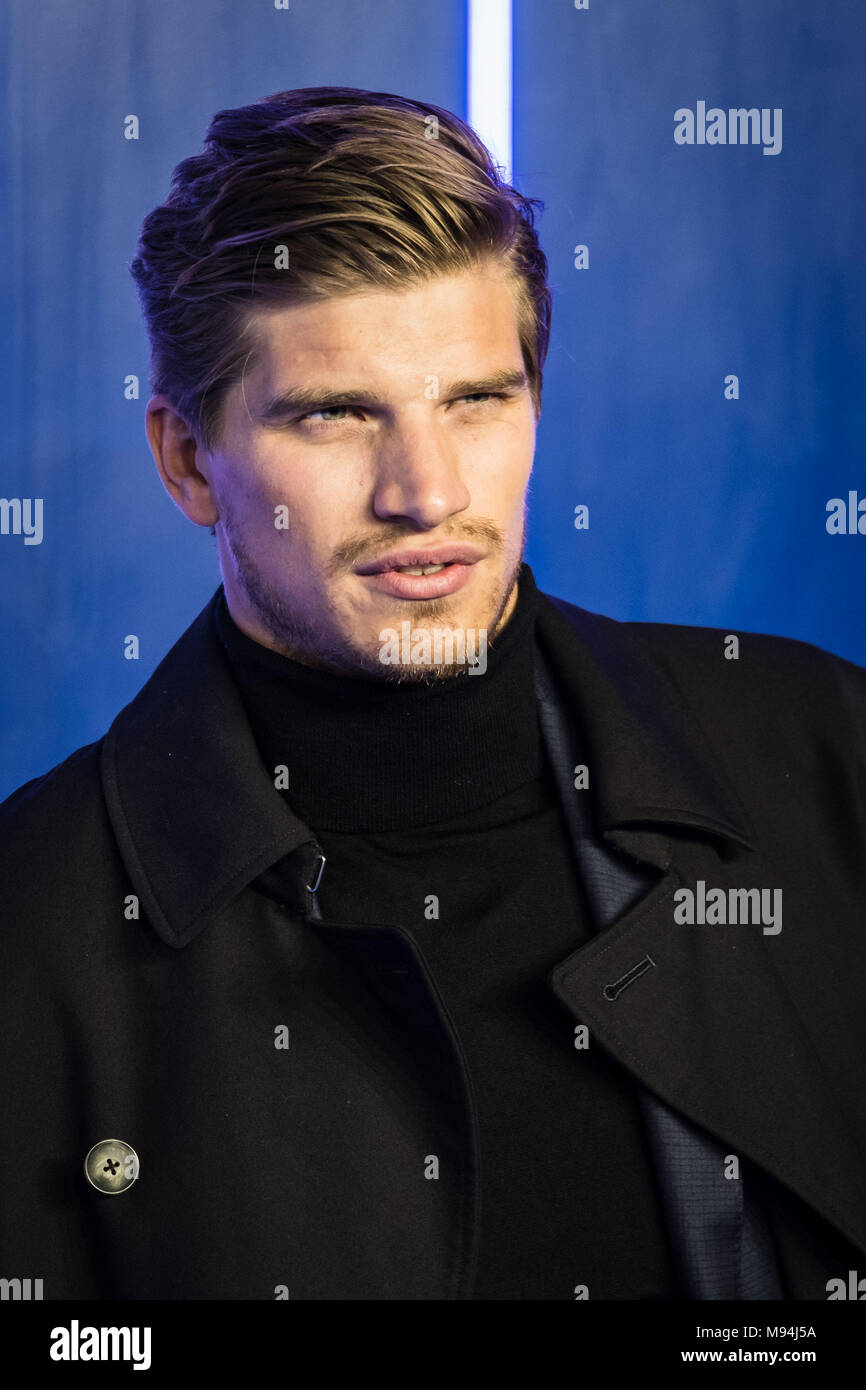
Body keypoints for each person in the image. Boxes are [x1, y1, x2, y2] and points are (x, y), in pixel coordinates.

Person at [1, 86, 864, 1302]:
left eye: (475, 399)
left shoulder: (824, 753)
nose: (427, 492)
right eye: (339, 414)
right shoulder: (31, 927)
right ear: (188, 460)